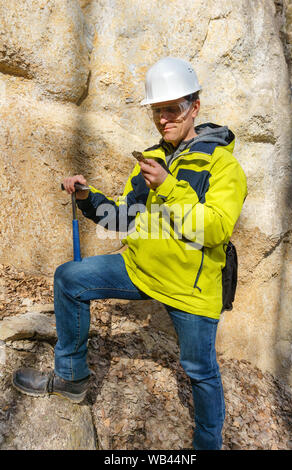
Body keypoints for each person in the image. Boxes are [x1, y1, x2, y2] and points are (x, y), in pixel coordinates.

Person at [12, 57, 247, 450]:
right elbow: (122, 217)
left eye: (173, 109)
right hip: (139, 268)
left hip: (191, 289)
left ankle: (209, 443)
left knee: (200, 372)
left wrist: (170, 186)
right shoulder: (151, 159)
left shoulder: (223, 166)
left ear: (195, 107)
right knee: (69, 278)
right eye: (158, 111)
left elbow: (216, 228)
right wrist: (88, 199)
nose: (164, 119)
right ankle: (71, 377)